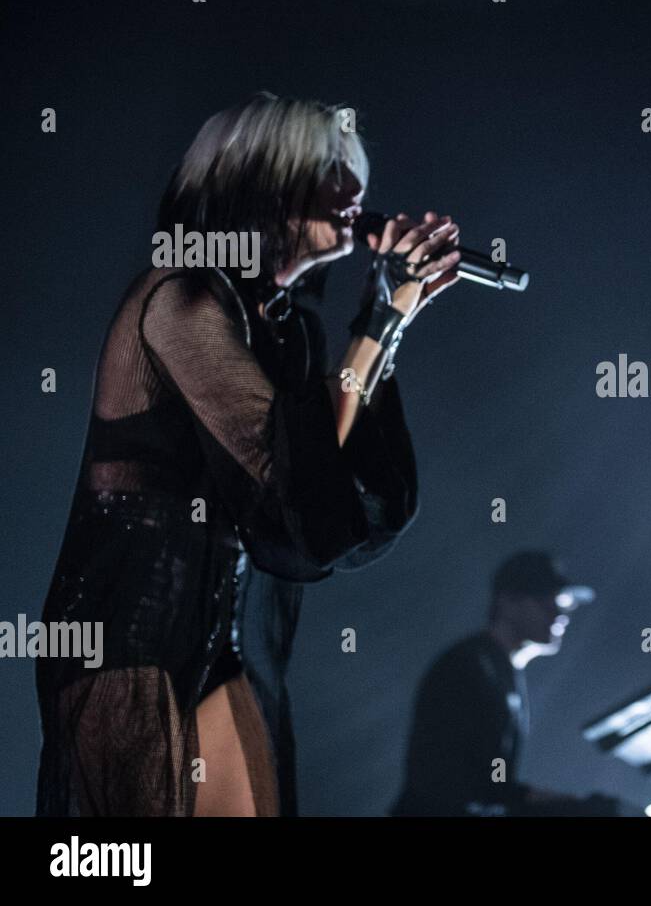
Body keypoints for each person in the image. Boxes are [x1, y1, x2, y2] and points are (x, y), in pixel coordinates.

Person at [36, 92, 463, 816]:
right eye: (330, 168)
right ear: (265, 177)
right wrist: (381, 317)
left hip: (223, 632)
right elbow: (275, 461)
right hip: (125, 635)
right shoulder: (180, 296)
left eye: (355, 169)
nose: (354, 190)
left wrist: (386, 323)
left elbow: (324, 484)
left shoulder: (289, 331)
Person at [390, 551, 615, 816]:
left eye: (565, 604)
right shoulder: (468, 666)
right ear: (507, 601)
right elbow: (453, 780)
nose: (559, 613)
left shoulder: (498, 669)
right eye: (546, 601)